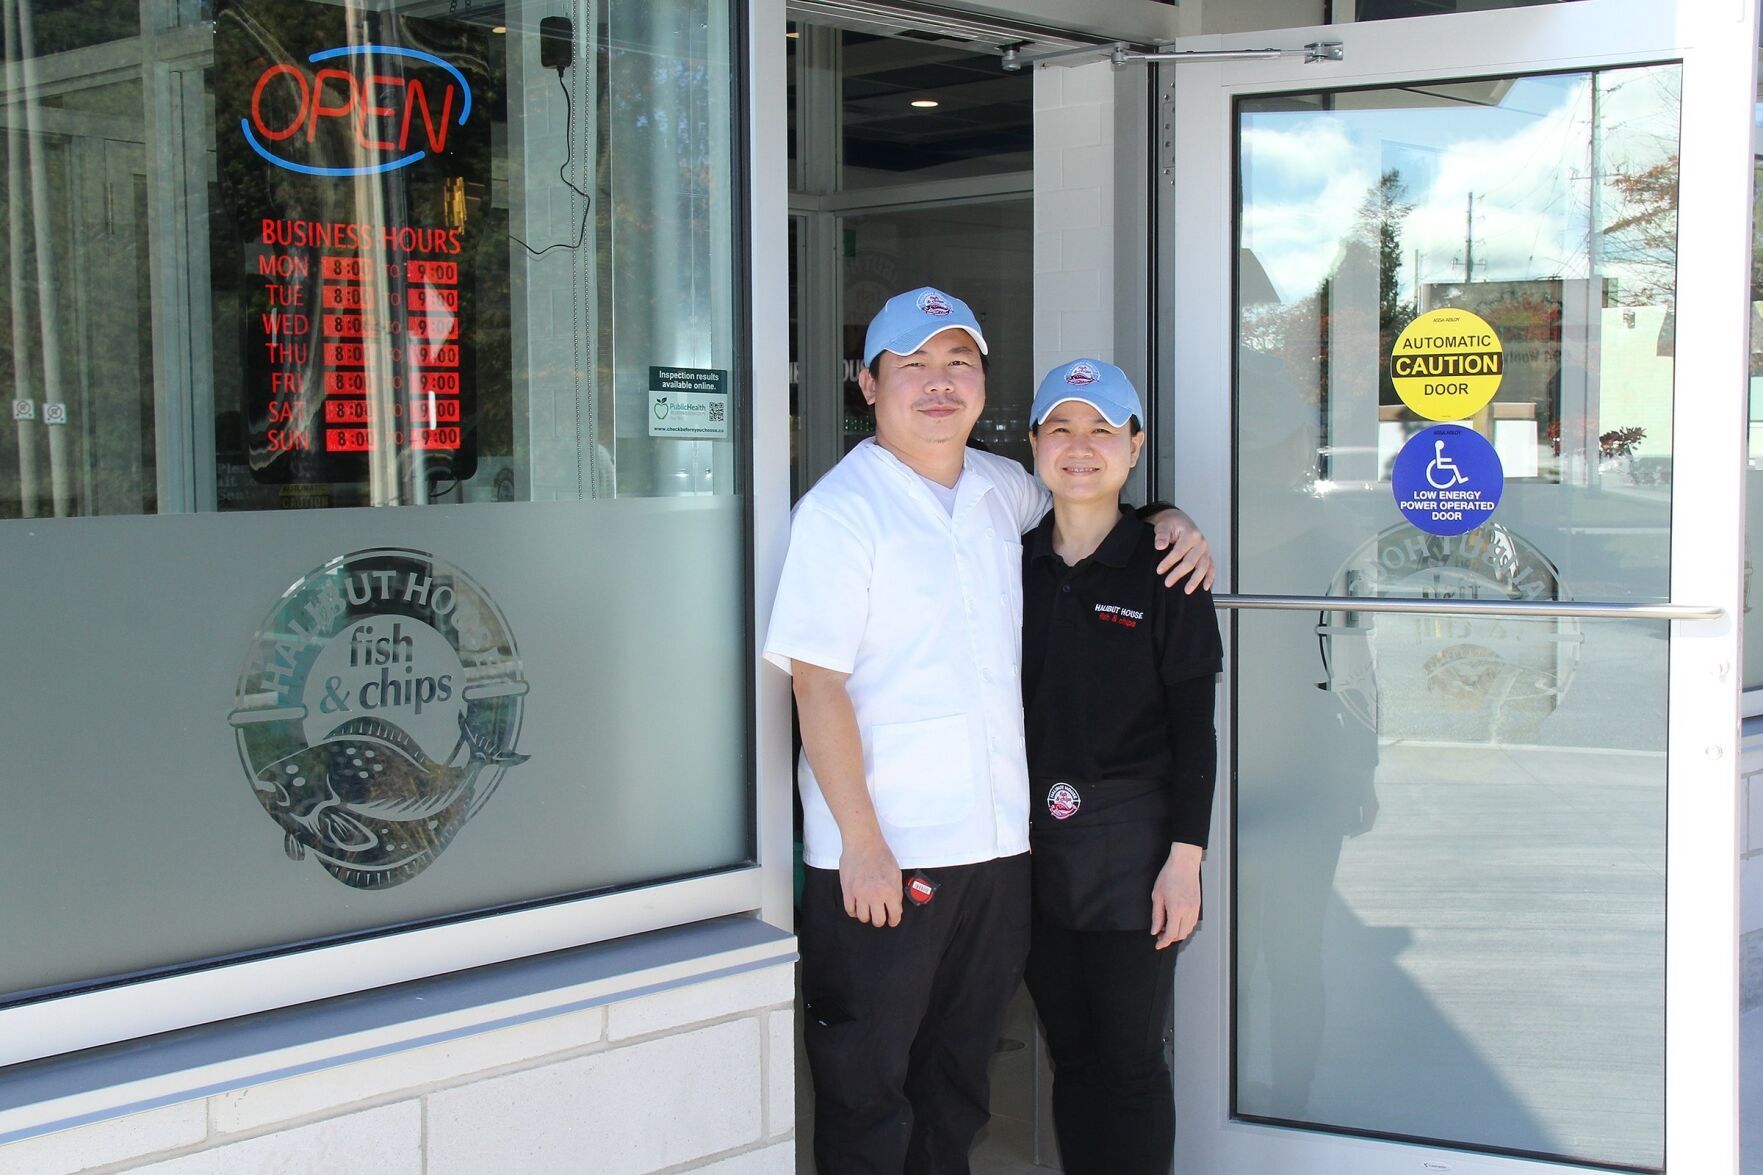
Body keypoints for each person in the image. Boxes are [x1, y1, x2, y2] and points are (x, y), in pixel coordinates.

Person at [763, 287, 1214, 1175]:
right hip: (887, 856)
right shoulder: (839, 511)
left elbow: (1088, 496)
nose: (939, 383)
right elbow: (816, 687)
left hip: (1000, 856)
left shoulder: (1000, 490)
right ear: (868, 383)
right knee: (867, 1093)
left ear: (981, 382)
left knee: (956, 1087)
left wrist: (1166, 517)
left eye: (958, 362)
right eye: (913, 365)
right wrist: (860, 844)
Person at [1019, 358, 1223, 1175]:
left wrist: (1185, 861)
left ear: (1134, 448)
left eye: (1101, 429)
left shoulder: (1168, 566)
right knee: (1071, 1056)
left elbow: (1195, 728)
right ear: (1033, 443)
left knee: (1130, 1063)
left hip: (1134, 856)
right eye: (1060, 428)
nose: (1079, 447)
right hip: (1033, 855)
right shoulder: (1008, 561)